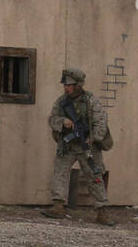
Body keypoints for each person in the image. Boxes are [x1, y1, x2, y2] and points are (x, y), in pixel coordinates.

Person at [42, 68, 114, 226]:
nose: (65, 87)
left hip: (88, 146)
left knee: (95, 176)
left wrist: (93, 138)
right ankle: (58, 206)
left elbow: (101, 121)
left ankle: (102, 211)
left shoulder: (90, 101)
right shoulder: (62, 102)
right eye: (65, 85)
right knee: (60, 172)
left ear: (78, 85)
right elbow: (52, 119)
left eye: (69, 85)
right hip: (68, 145)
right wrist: (62, 122)